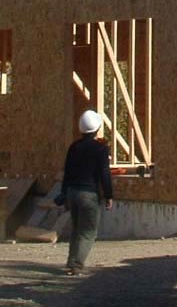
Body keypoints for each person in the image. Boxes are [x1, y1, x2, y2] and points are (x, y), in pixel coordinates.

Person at [60, 110, 114, 275]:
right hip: (89, 194)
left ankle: (71, 262)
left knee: (76, 229)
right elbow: (104, 173)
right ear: (97, 128)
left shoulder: (74, 147)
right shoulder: (100, 149)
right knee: (88, 232)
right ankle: (76, 265)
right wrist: (109, 195)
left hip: (72, 192)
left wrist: (64, 194)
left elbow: (67, 172)